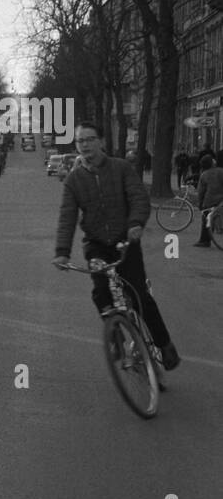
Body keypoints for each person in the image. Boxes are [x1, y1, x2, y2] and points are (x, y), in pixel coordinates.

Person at [52, 121, 180, 371]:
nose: (85, 145)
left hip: (125, 240)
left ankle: (165, 346)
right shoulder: (74, 180)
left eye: (90, 139)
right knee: (101, 292)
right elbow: (67, 217)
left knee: (139, 295)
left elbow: (138, 197)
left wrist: (135, 224)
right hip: (96, 244)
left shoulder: (121, 168)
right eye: (80, 141)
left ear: (101, 141)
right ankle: (115, 334)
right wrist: (61, 253)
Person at [193, 155, 223, 246]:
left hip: (209, 201)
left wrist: (200, 204)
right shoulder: (221, 171)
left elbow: (201, 192)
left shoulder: (204, 175)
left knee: (206, 218)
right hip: (221, 200)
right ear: (212, 162)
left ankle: (205, 240)